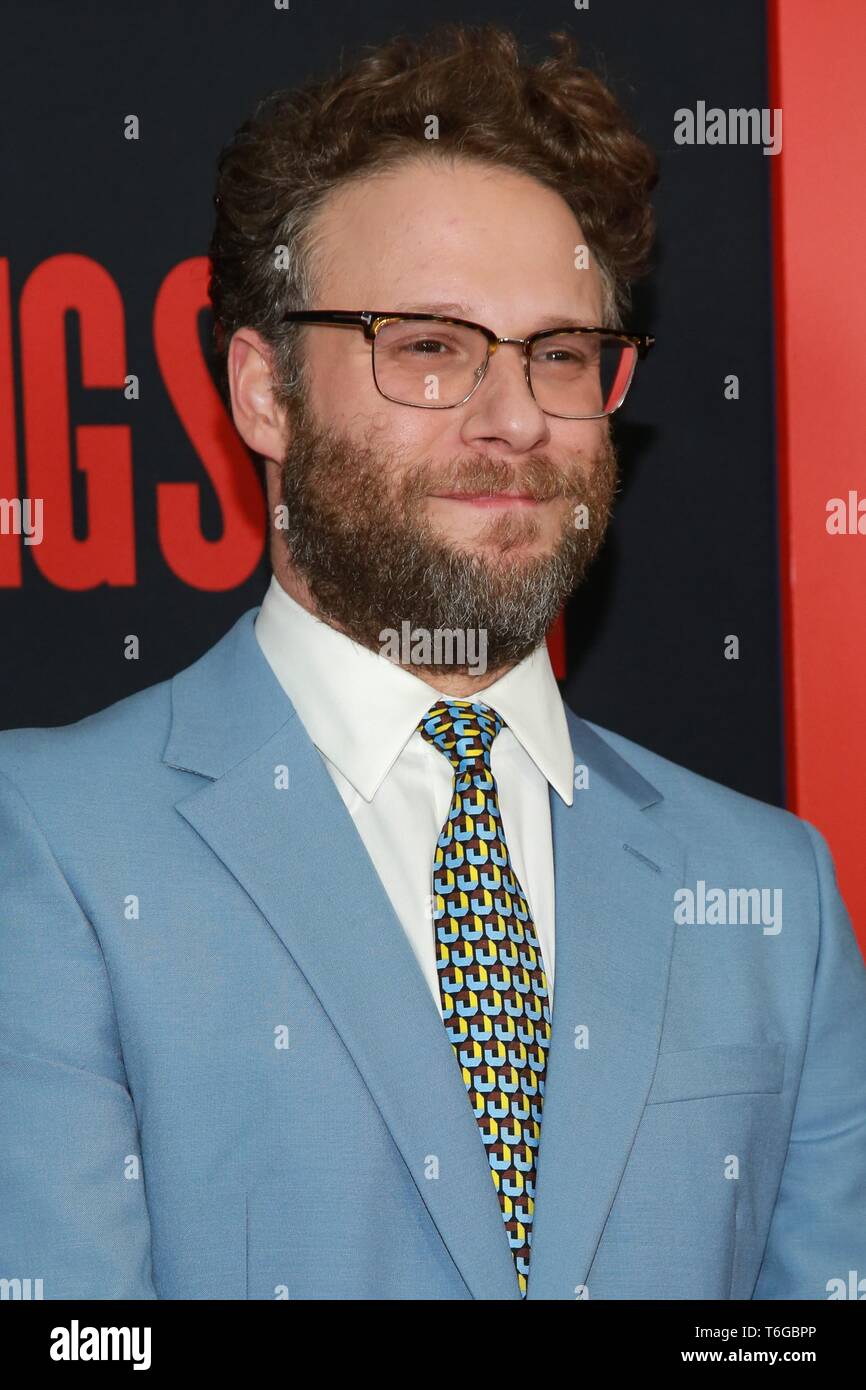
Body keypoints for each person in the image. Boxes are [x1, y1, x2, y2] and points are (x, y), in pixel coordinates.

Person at [1, 23, 864, 1301]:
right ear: (263, 393)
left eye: (559, 353)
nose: (512, 417)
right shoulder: (51, 842)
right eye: (427, 346)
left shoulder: (767, 893)